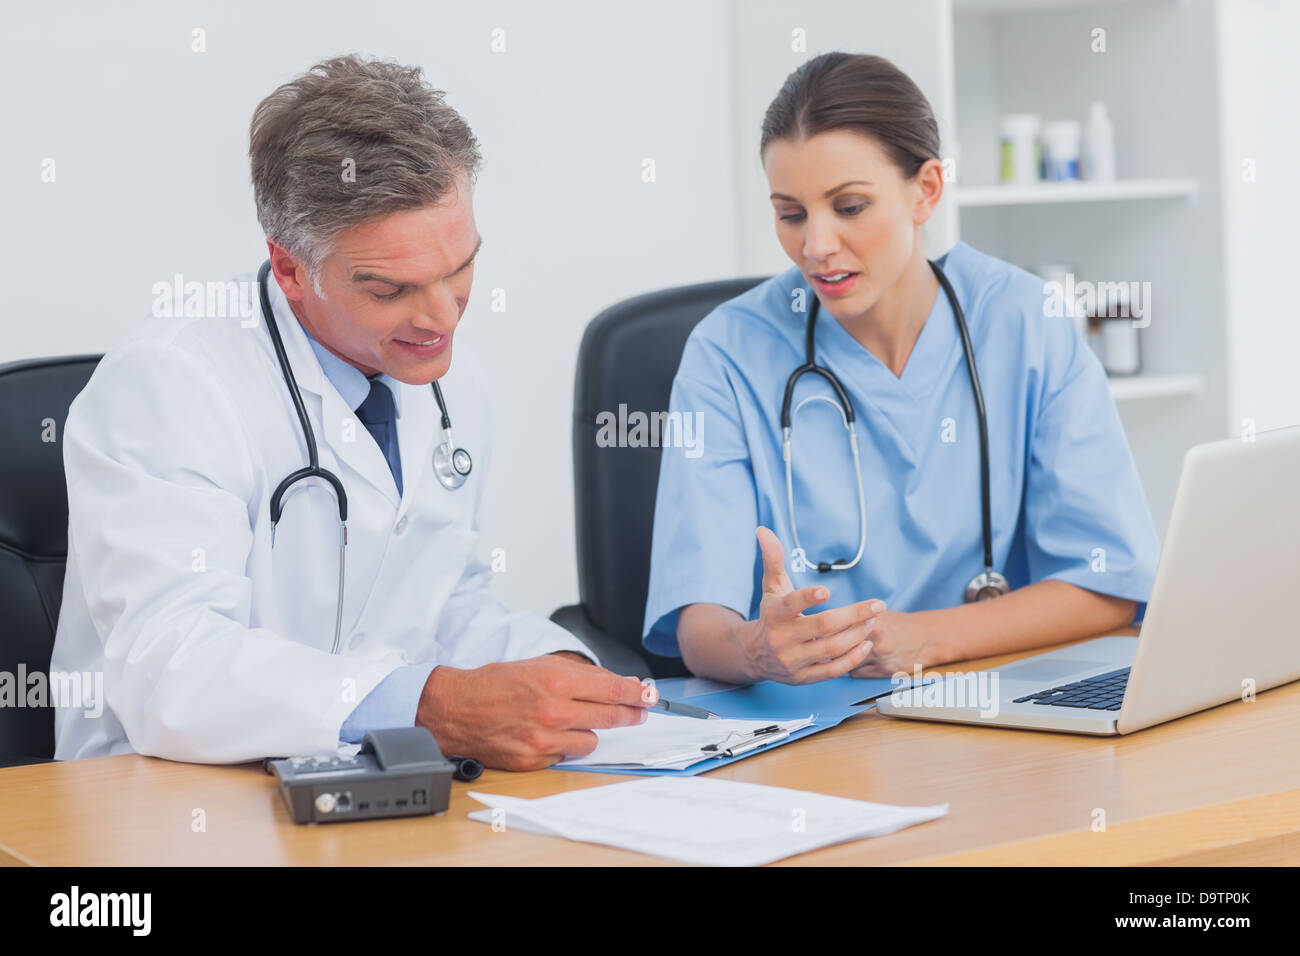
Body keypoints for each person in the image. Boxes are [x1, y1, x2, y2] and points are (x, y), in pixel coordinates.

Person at [51, 54, 653, 769]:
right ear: (290, 268)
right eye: (390, 289)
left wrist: (564, 677)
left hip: (373, 783)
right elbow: (170, 668)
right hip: (170, 800)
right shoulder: (169, 386)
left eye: (460, 269)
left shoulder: (450, 386)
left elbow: (442, 605)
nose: (441, 317)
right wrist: (426, 706)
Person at [642, 52, 1160, 686]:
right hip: (813, 731)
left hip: (998, 710)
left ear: (928, 190)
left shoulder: (1027, 322)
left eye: (850, 206)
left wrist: (926, 639)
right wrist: (758, 649)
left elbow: (1108, 582)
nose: (817, 246)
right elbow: (700, 630)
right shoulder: (726, 353)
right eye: (792, 213)